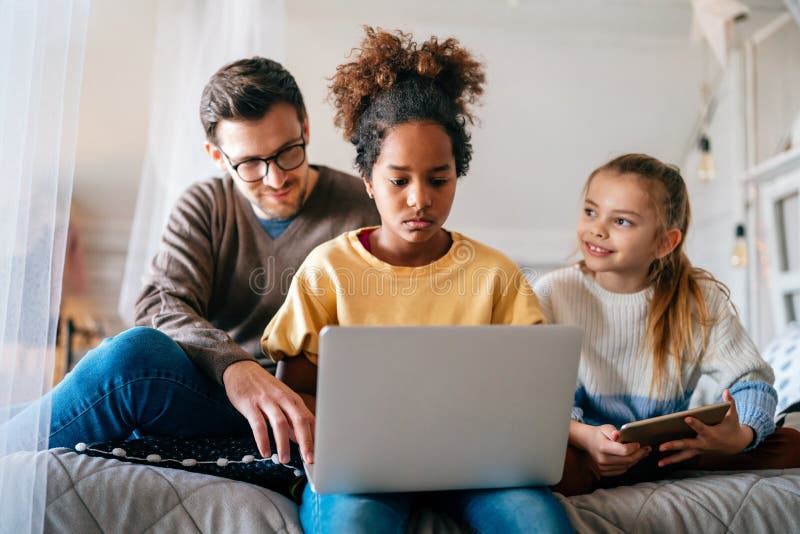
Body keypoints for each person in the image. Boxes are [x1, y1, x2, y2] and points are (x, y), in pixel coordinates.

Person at [261, 28, 573, 534]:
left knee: (540, 524)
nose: (419, 199)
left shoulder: (495, 274)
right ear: (367, 179)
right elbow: (295, 396)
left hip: (481, 469)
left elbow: (529, 397)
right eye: (399, 180)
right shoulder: (328, 270)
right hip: (363, 472)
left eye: (438, 178)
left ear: (458, 174)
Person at [5, 57, 379, 463]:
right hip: (218, 390)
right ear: (217, 157)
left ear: (305, 128)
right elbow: (158, 303)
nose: (275, 179)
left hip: (303, 406)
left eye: (288, 152)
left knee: (125, 365)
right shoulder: (205, 205)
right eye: (250, 164)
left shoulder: (364, 210)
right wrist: (235, 367)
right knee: (134, 352)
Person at [534, 153, 800, 496]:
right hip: (586, 448)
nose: (596, 229)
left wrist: (740, 435)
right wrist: (586, 437)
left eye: (622, 222)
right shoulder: (554, 291)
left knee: (791, 445)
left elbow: (752, 381)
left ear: (664, 243)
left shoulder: (699, 297)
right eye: (590, 211)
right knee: (542, 465)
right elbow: (541, 396)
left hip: (670, 451)